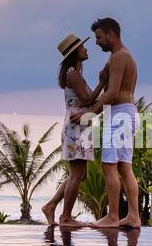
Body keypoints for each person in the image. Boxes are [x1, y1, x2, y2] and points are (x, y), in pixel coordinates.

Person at [71, 17, 141, 230]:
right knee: (124, 166)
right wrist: (102, 81)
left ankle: (112, 216)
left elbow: (111, 93)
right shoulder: (120, 57)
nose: (97, 42)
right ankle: (133, 216)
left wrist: (89, 113)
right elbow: (110, 90)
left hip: (120, 114)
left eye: (99, 37)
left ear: (111, 34)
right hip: (124, 113)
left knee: (109, 165)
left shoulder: (120, 57)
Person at [42, 32, 104, 227]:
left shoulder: (76, 74)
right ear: (75, 53)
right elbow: (88, 100)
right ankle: (65, 216)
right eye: (82, 47)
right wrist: (103, 83)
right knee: (77, 174)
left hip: (81, 123)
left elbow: (89, 100)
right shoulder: (73, 74)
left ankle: (51, 206)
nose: (86, 49)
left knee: (80, 174)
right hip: (77, 125)